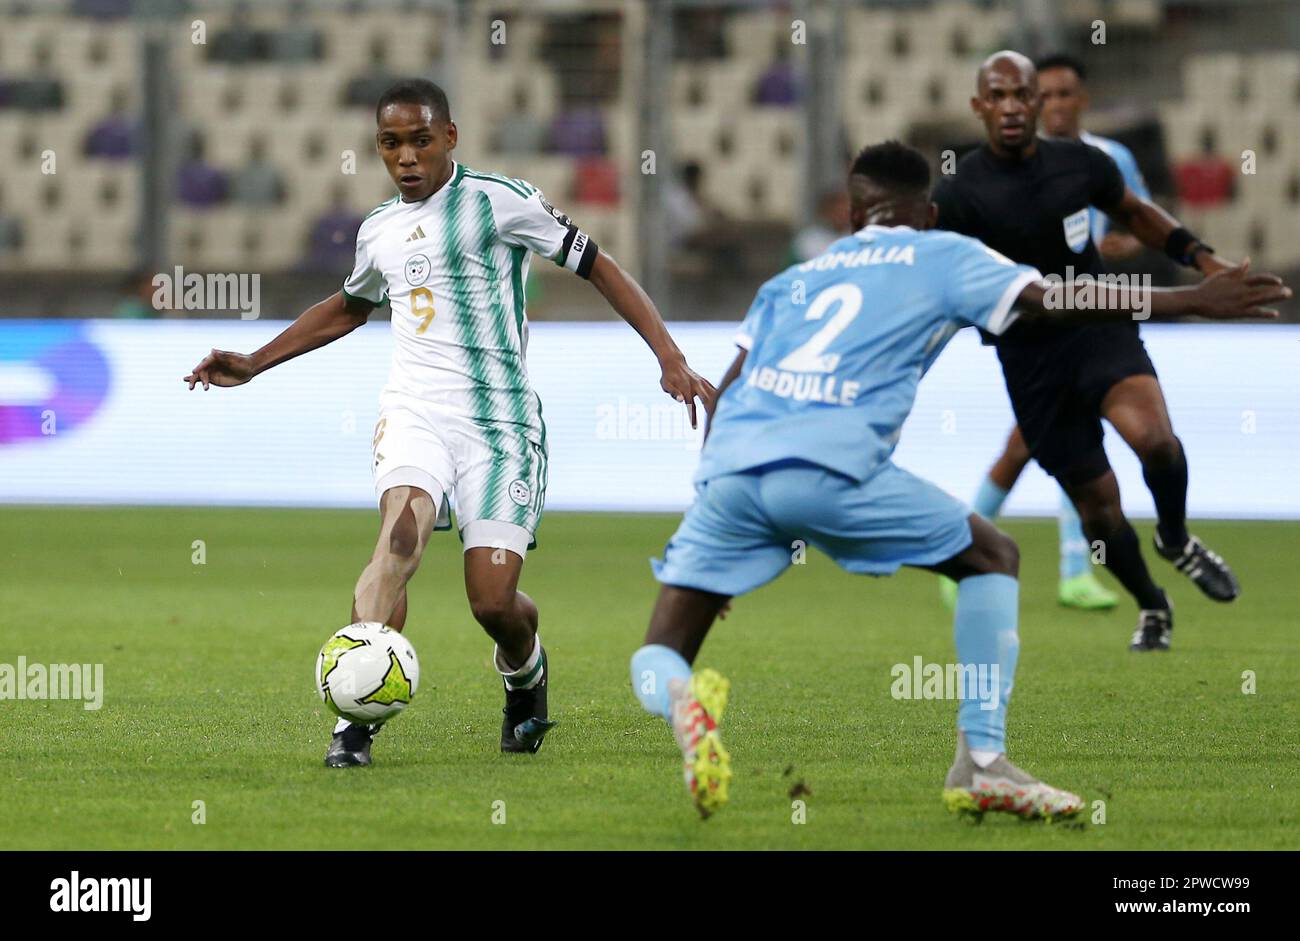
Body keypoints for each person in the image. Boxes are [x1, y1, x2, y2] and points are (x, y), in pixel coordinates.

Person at [628, 140, 1286, 819]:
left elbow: (729, 389)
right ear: (931, 212)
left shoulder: (794, 279)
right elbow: (1061, 298)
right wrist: (1193, 299)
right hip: (829, 466)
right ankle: (982, 762)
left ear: (853, 215)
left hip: (731, 472)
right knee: (991, 555)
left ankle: (685, 702)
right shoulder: (945, 254)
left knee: (659, 651)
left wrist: (713, 516)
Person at [185, 79, 716, 768]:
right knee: (395, 544)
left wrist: (669, 357)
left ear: (450, 138)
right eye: (390, 143)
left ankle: (525, 672)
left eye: (420, 140)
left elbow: (599, 265)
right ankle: (355, 720)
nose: (406, 156)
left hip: (499, 424)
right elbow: (351, 305)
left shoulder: (500, 201)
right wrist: (256, 360)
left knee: (493, 601)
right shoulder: (378, 228)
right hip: (415, 413)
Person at [933, 51, 1261, 651]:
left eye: (1023, 96)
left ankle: (1174, 536)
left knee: (1156, 441)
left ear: (1038, 103)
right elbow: (935, 277)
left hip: (1100, 329)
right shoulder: (958, 194)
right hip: (1029, 358)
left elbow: (1136, 213)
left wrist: (1204, 259)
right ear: (980, 107)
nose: (1012, 107)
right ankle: (1152, 604)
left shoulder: (1083, 163)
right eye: (998, 97)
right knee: (1100, 513)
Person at [940, 51, 1157, 612]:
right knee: (1033, 448)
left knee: (1055, 448)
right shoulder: (986, 176)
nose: (1052, 106)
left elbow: (1139, 221)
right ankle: (985, 553)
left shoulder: (1107, 158)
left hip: (1091, 318)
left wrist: (1122, 247)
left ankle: (1066, 567)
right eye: (1048, 95)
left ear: (1071, 101)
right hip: (1033, 329)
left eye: (1061, 96)